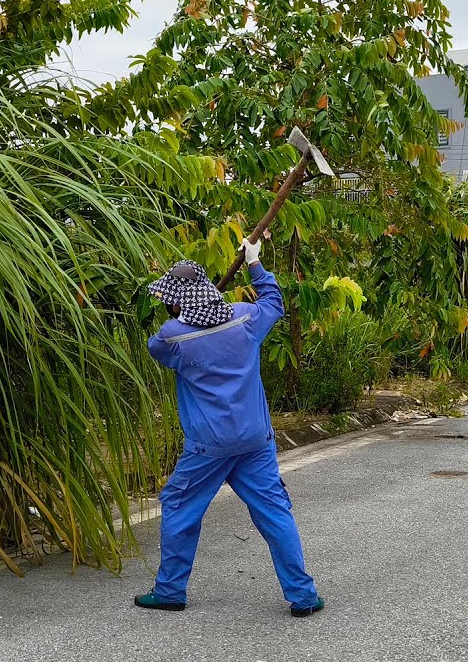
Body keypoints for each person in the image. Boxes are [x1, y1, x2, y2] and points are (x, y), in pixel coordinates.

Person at [135, 238, 325, 617]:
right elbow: (273, 302)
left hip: (208, 446)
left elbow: (157, 348)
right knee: (274, 513)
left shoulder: (173, 338)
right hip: (255, 439)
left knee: (178, 505)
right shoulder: (245, 319)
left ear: (176, 301)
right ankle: (303, 596)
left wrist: (185, 318)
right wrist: (254, 264)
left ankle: (171, 590)